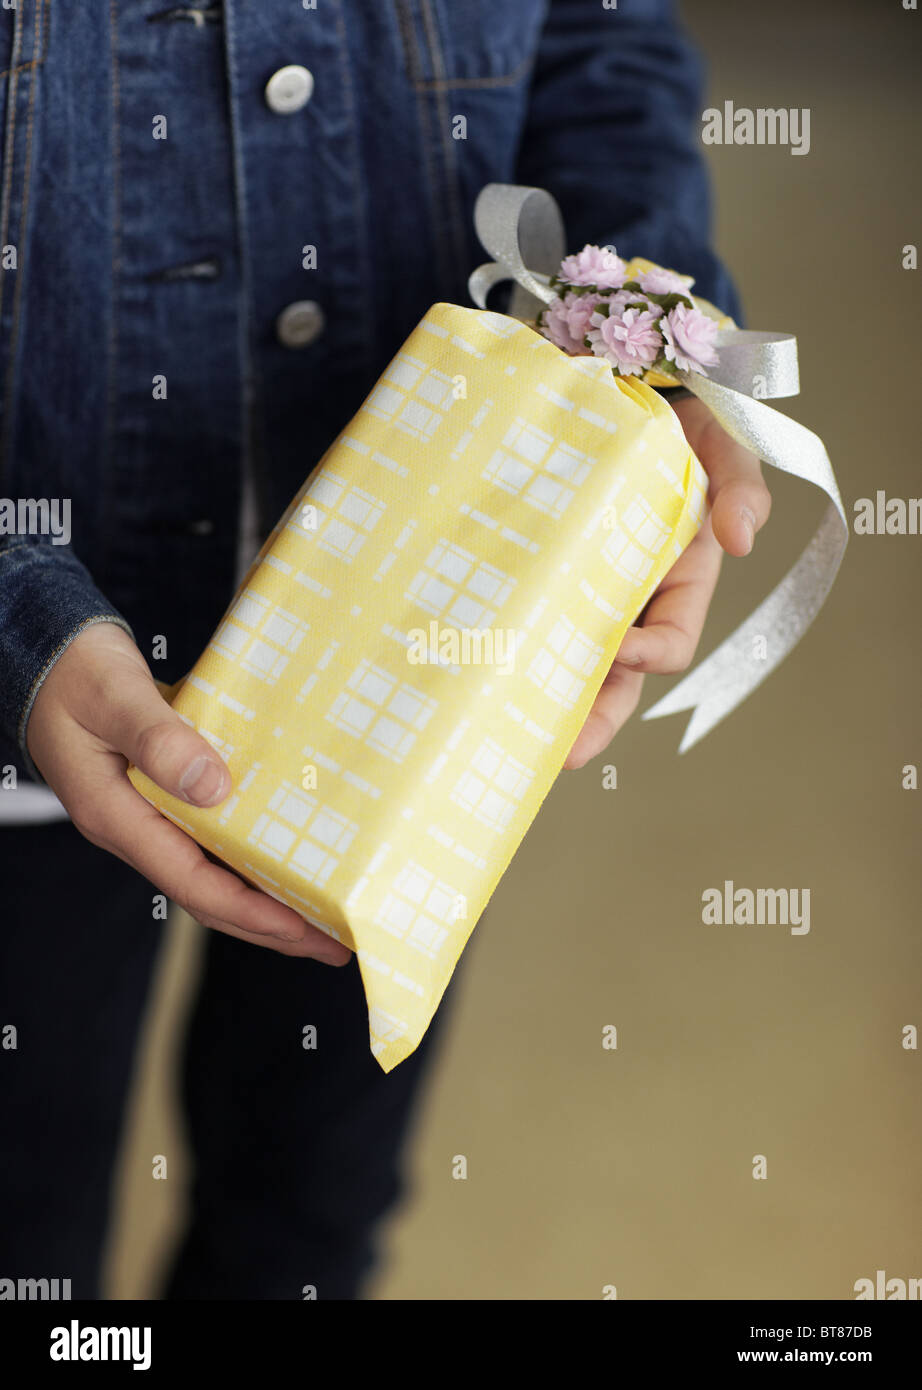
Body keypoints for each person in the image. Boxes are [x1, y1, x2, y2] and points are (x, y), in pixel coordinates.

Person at [0, 0, 770, 1299]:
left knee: (311, 1203)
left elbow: (599, 40)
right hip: (25, 729)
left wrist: (644, 356)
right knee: (21, 1199)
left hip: (416, 675)